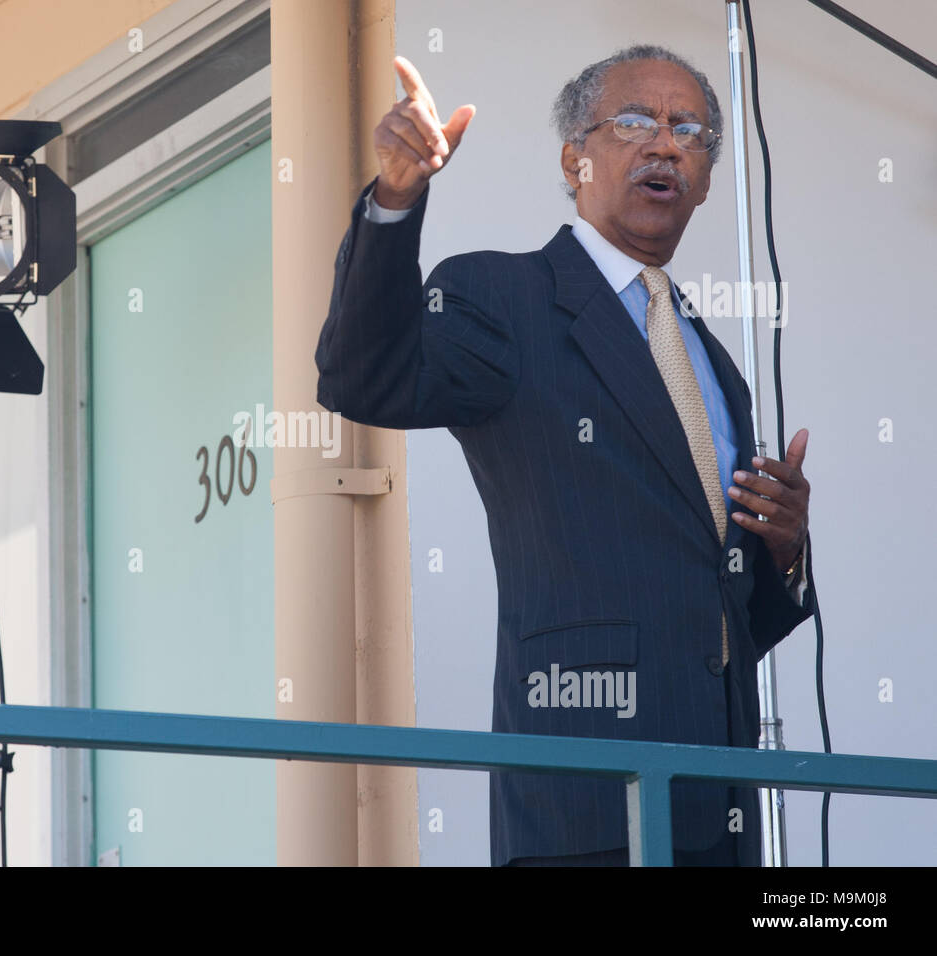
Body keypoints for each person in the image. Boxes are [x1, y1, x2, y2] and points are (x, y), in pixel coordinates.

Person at [314, 46, 815, 866]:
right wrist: (397, 201)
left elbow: (725, 617)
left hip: (715, 814)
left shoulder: (713, 362)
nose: (664, 144)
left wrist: (783, 551)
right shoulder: (503, 298)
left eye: (687, 130)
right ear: (573, 157)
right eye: (632, 122)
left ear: (709, 178)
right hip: (581, 805)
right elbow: (363, 378)